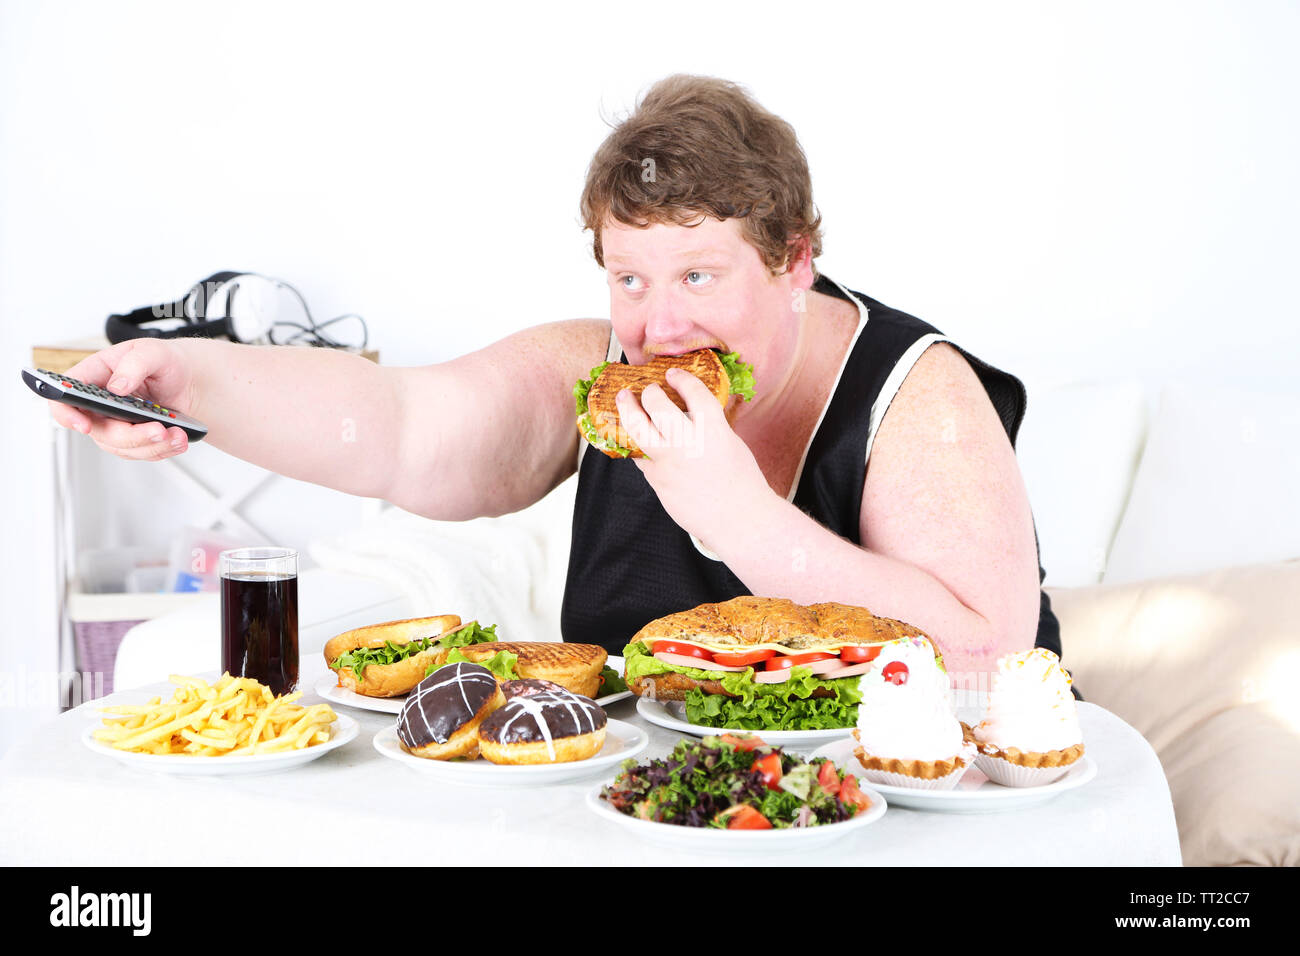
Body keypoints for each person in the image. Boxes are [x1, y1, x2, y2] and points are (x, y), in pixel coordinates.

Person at [47, 74, 1056, 680]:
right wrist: (191, 380)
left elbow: (986, 657)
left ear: (794, 259)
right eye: (628, 277)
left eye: (699, 273)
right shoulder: (602, 373)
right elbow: (401, 427)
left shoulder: (919, 392)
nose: (657, 326)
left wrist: (738, 515)